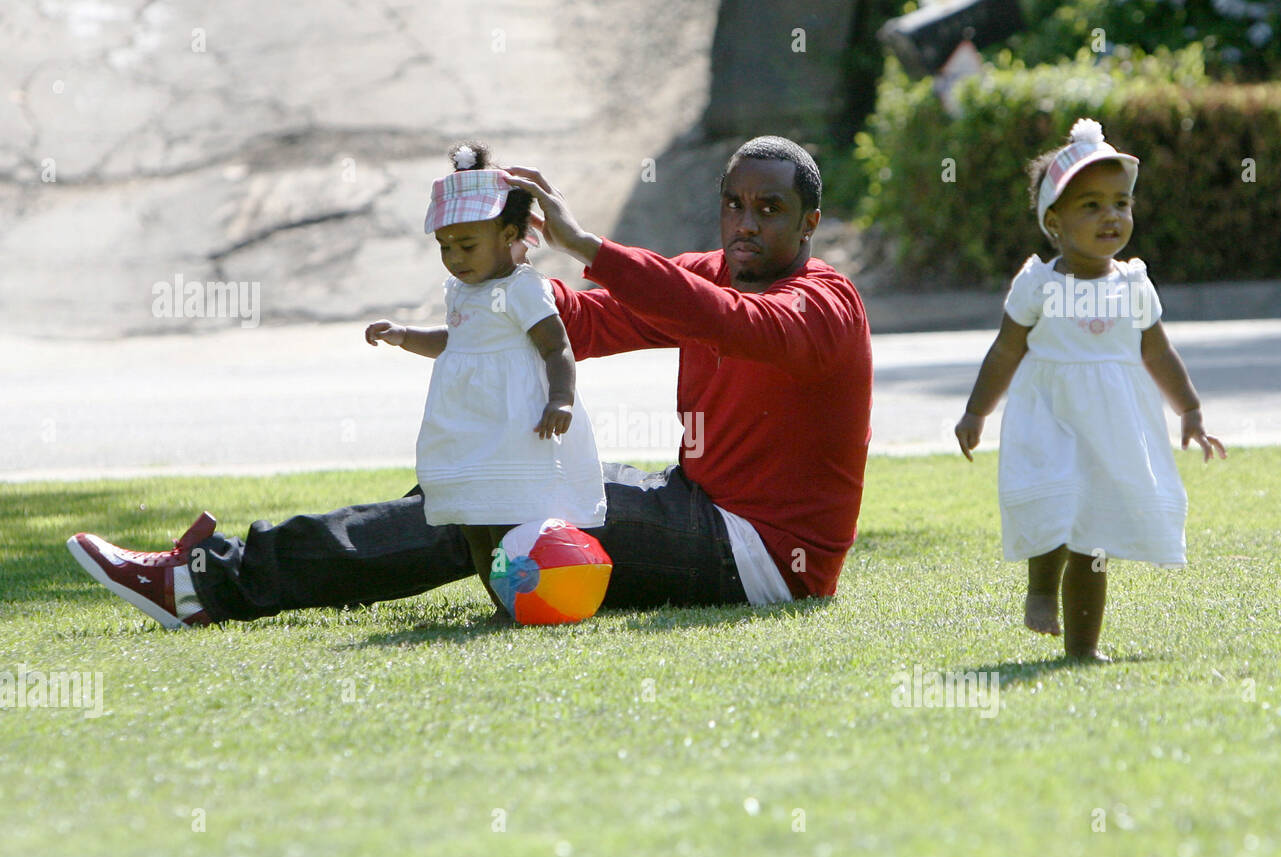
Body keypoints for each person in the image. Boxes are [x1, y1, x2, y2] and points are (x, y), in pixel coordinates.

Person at [66, 135, 872, 629]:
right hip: (696, 506)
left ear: (809, 225)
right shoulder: (711, 277)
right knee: (480, 485)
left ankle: (212, 581)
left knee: (491, 501)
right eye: (733, 205)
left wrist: (589, 246)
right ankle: (216, 575)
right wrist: (505, 267)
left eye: (769, 210)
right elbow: (581, 324)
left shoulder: (826, 306)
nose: (745, 224)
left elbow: (735, 325)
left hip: (767, 559)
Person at [953, 118, 1226, 661]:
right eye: (1091, 205)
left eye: (1121, 203)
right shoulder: (1038, 283)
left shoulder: (1133, 283)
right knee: (1056, 499)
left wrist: (1190, 408)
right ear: (1053, 222)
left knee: (1093, 538)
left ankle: (1081, 648)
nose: (1112, 216)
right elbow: (1006, 350)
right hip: (1048, 414)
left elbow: (1157, 352)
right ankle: (1038, 591)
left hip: (1113, 424)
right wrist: (976, 413)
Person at [365, 141, 606, 618]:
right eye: (445, 247)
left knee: (510, 516)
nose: (455, 257)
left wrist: (561, 399)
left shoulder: (522, 289)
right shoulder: (461, 291)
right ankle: (503, 602)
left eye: (468, 245)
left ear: (510, 233)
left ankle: (528, 597)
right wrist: (406, 335)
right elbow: (456, 341)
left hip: (515, 424)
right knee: (473, 519)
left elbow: (556, 347)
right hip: (469, 424)